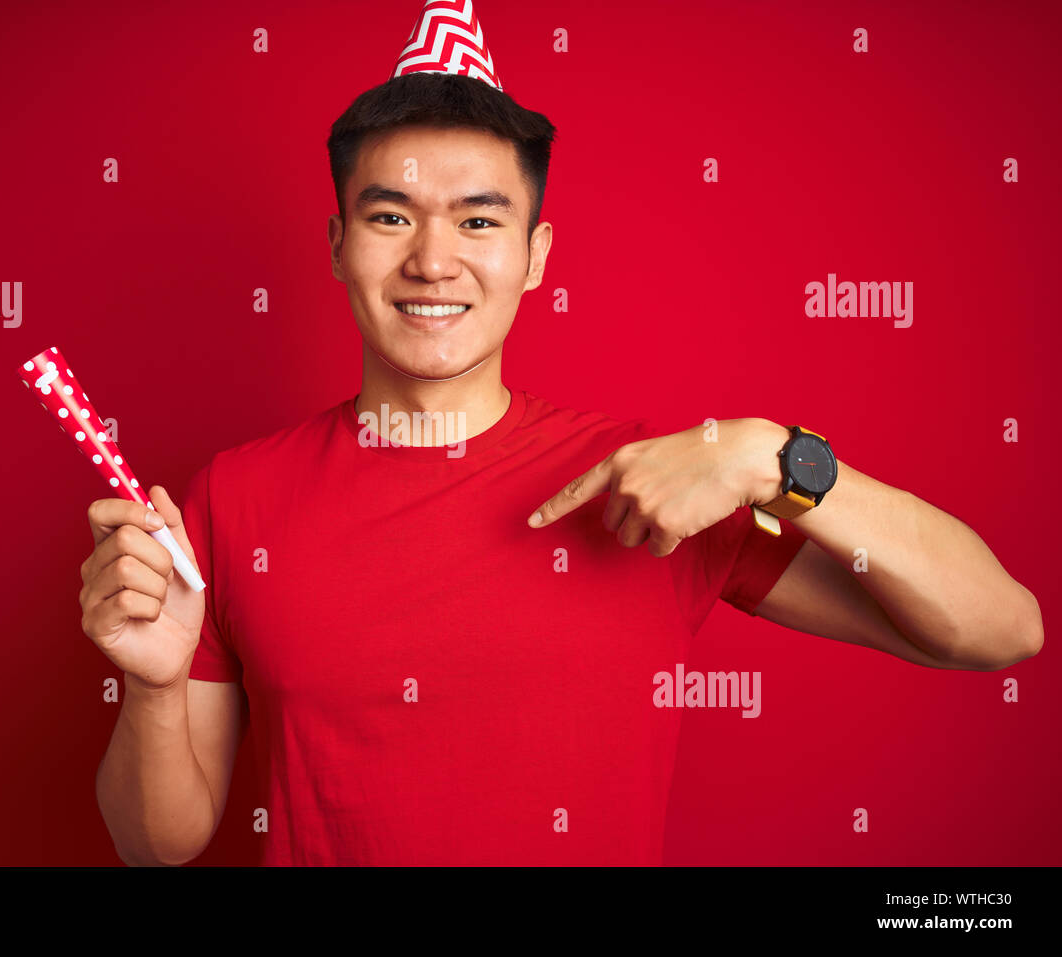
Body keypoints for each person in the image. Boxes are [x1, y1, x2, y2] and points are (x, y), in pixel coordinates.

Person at [79, 7, 1044, 866]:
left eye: (478, 219)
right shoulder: (231, 497)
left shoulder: (656, 486)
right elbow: (155, 843)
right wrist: (155, 691)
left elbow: (1001, 629)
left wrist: (767, 453)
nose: (432, 259)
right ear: (338, 246)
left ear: (536, 256)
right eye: (389, 215)